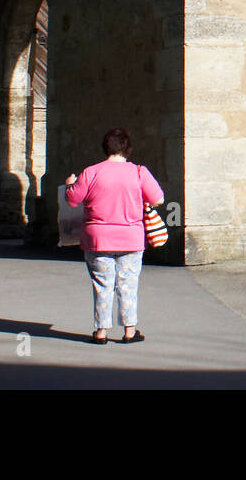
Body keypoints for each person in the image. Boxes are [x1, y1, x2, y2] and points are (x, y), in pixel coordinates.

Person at [64, 128, 165, 344]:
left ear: (105, 148)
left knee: (103, 284)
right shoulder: (139, 172)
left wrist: (70, 184)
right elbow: (158, 199)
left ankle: (101, 331)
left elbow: (72, 200)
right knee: (128, 283)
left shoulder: (90, 172)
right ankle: (129, 331)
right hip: (131, 238)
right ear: (128, 148)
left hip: (98, 239)